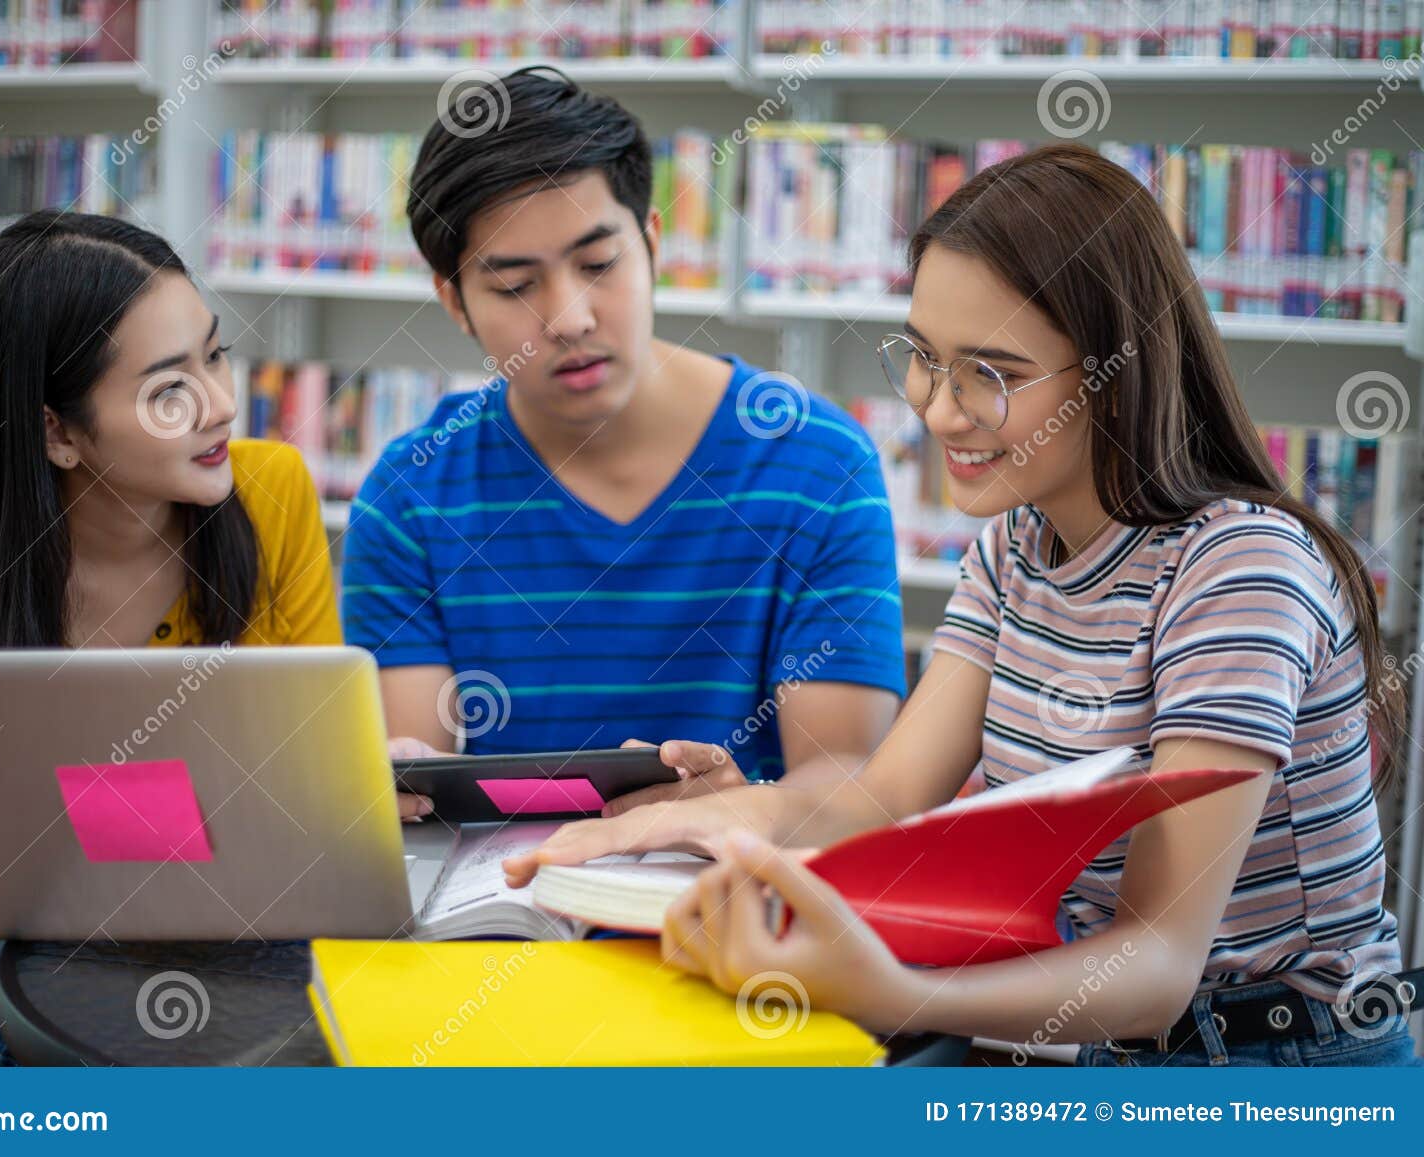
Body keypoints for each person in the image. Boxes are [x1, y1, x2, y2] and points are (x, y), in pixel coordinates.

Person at [506, 143, 1419, 1067]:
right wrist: (701, 819)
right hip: (1093, 1042)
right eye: (925, 359)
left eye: (992, 373)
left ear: (1115, 371)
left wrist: (895, 992)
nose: (939, 412)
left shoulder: (1239, 567)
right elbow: (888, 796)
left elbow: (1159, 962)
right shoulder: (1012, 550)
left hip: (1265, 1062)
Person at [0, 211, 340, 1065]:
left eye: (215, 354)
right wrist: (42, 821)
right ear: (56, 431)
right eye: (168, 385)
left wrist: (350, 784)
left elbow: (308, 791)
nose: (220, 403)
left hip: (233, 937)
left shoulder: (272, 494)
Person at [344, 67, 905, 809]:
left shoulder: (818, 464)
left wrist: (737, 809)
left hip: (738, 900)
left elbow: (848, 785)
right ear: (455, 300)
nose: (569, 317)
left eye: (598, 264)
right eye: (515, 285)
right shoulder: (409, 496)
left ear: (652, 245)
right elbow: (427, 790)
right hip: (503, 909)